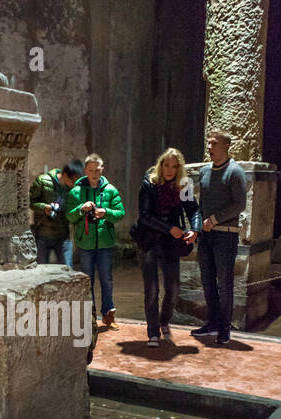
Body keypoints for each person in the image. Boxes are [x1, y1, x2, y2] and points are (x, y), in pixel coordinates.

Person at [189, 131, 248, 345]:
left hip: (225, 235)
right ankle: (212, 322)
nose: (209, 147)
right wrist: (196, 228)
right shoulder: (204, 172)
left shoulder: (235, 172)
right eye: (209, 143)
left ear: (226, 146)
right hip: (206, 236)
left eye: (214, 143)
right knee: (207, 281)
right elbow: (201, 204)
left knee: (224, 283)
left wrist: (214, 219)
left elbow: (239, 204)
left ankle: (225, 328)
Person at [134, 148, 196, 347]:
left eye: (174, 166)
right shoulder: (149, 184)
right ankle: (153, 332)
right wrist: (169, 228)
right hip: (149, 239)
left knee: (174, 288)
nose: (170, 170)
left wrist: (195, 230)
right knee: (151, 289)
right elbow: (144, 216)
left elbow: (194, 210)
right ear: (160, 165)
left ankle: (164, 320)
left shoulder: (183, 186)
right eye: (166, 165)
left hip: (171, 242)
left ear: (179, 168)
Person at [65, 153, 124, 329]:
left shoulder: (111, 190)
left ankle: (108, 315)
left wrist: (105, 212)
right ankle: (89, 317)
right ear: (85, 171)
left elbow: (120, 214)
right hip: (85, 244)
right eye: (90, 170)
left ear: (102, 169)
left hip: (105, 243)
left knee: (107, 279)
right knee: (87, 280)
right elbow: (69, 216)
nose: (94, 173)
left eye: (97, 170)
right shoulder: (76, 191)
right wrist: (81, 209)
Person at [29, 159, 83, 266]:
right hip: (43, 234)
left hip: (63, 236)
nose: (73, 184)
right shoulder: (43, 181)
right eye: (72, 181)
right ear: (65, 175)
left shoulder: (72, 189)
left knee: (67, 270)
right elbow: (30, 202)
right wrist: (45, 208)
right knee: (42, 271)